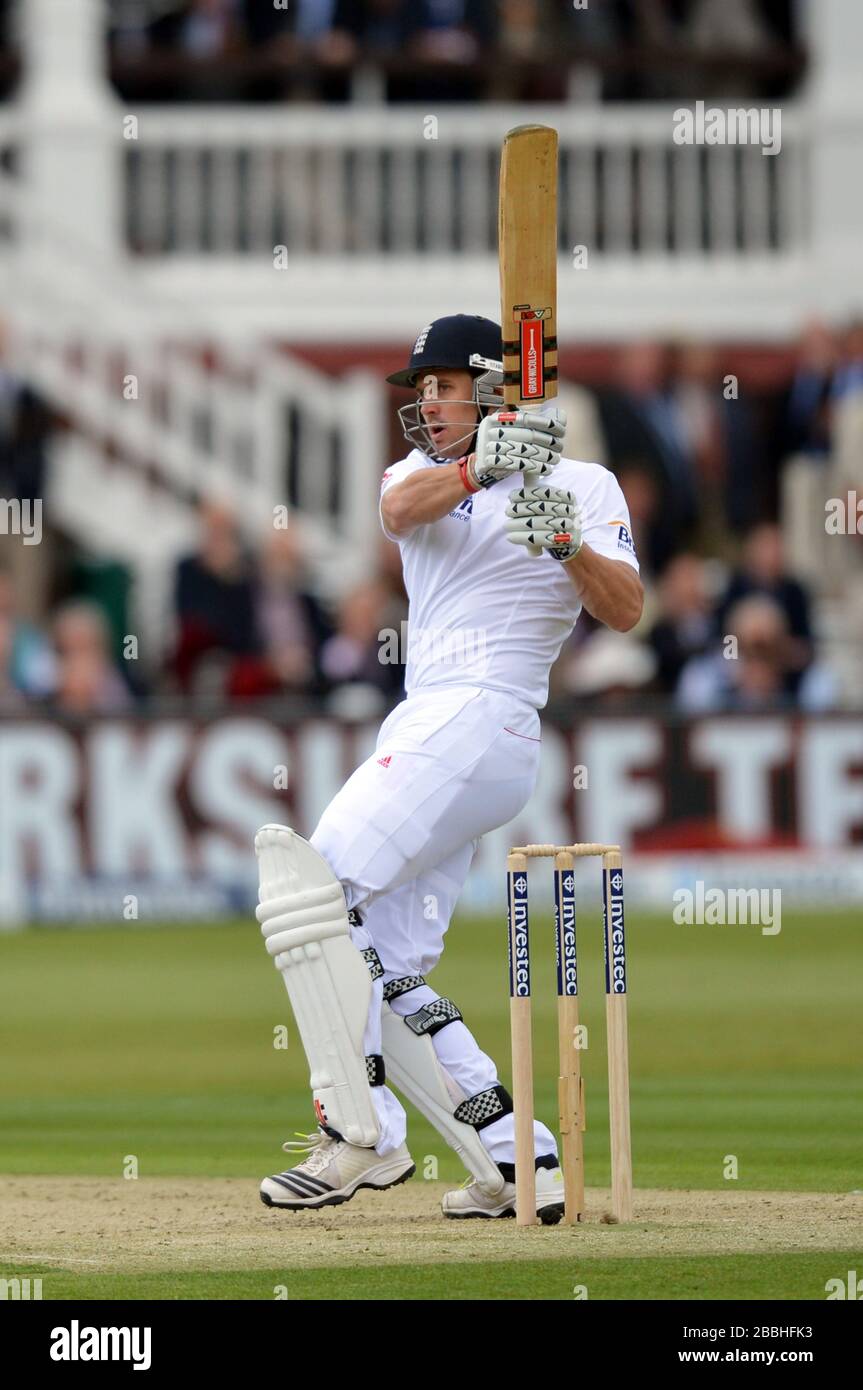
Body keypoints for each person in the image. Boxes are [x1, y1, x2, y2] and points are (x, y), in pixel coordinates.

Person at [253, 314, 643, 1222]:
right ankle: (518, 1162)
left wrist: (567, 547)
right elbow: (397, 512)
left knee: (310, 892)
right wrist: (481, 464)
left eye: (441, 387)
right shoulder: (422, 476)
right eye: (418, 391)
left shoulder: (584, 484)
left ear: (491, 387)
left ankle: (360, 1133)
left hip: (486, 712)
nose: (425, 404)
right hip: (438, 722)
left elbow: (624, 609)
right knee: (378, 960)